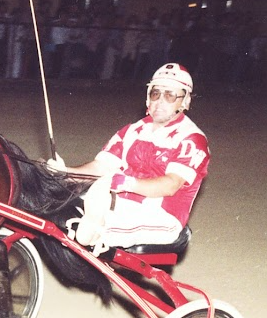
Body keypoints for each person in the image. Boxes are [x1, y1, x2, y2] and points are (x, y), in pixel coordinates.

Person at [48, 63, 209, 252]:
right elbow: (101, 166)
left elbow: (170, 185)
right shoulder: (133, 130)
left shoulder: (192, 138)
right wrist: (66, 173)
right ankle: (92, 221)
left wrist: (125, 183)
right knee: (60, 204)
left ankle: (95, 229)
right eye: (155, 94)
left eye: (170, 95)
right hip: (120, 203)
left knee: (95, 220)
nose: (160, 101)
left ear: (185, 101)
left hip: (162, 217)